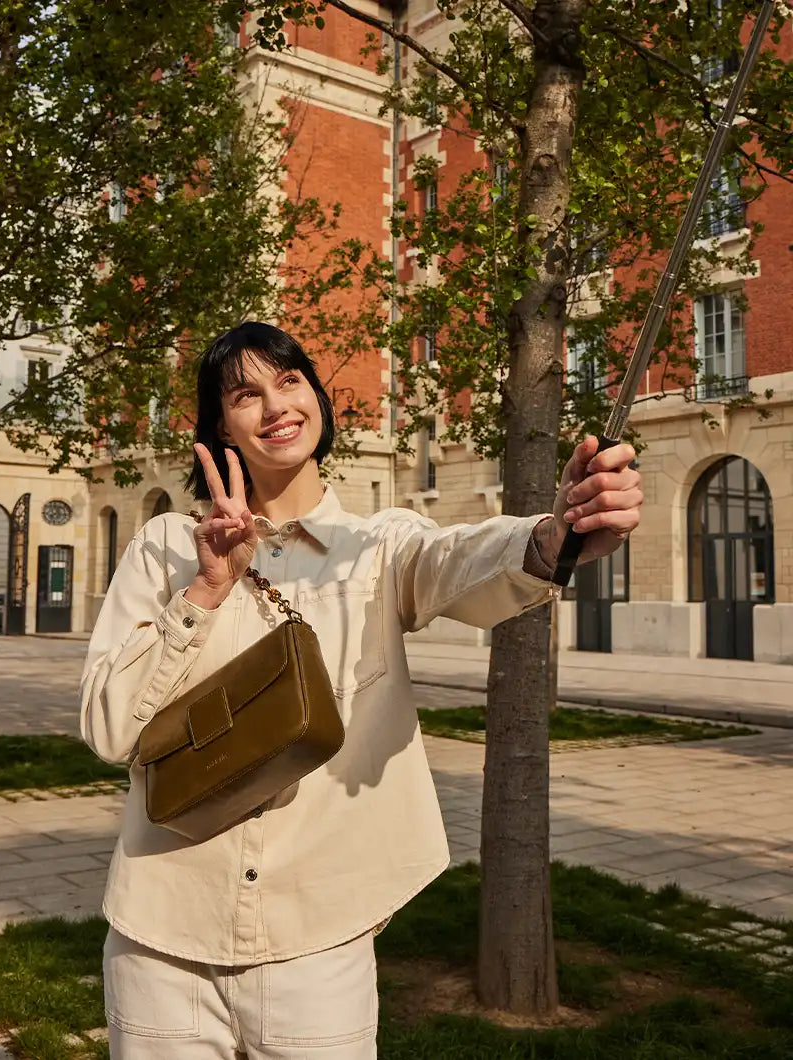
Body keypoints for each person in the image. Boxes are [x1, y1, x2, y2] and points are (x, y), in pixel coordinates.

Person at [81, 321, 642, 1059]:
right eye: (245, 394)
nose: (275, 406)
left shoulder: (382, 544)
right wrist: (205, 591)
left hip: (321, 944)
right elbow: (108, 728)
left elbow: (458, 557)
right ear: (219, 426)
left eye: (289, 381)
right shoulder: (165, 548)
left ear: (317, 397)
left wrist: (554, 535)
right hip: (163, 935)